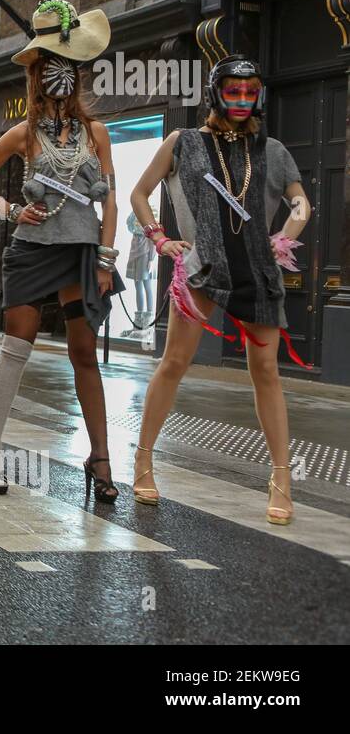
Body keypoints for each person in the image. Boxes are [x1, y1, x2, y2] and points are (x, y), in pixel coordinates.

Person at [130, 55, 310, 524]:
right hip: (201, 267)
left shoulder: (272, 151)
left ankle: (281, 479)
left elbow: (300, 202)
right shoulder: (183, 142)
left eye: (251, 92)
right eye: (234, 91)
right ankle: (143, 460)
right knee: (174, 363)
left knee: (266, 372)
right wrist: (160, 238)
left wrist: (285, 236)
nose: (243, 100)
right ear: (215, 93)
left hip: (257, 271)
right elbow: (139, 193)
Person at [0, 0, 124, 501]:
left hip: (79, 252)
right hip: (32, 250)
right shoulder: (23, 133)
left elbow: (111, 200)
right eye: (51, 70)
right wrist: (8, 210)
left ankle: (99, 459)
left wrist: (105, 258)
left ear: (76, 77)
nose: (60, 79)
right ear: (38, 80)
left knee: (83, 353)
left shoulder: (97, 134)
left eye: (67, 70)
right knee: (16, 347)